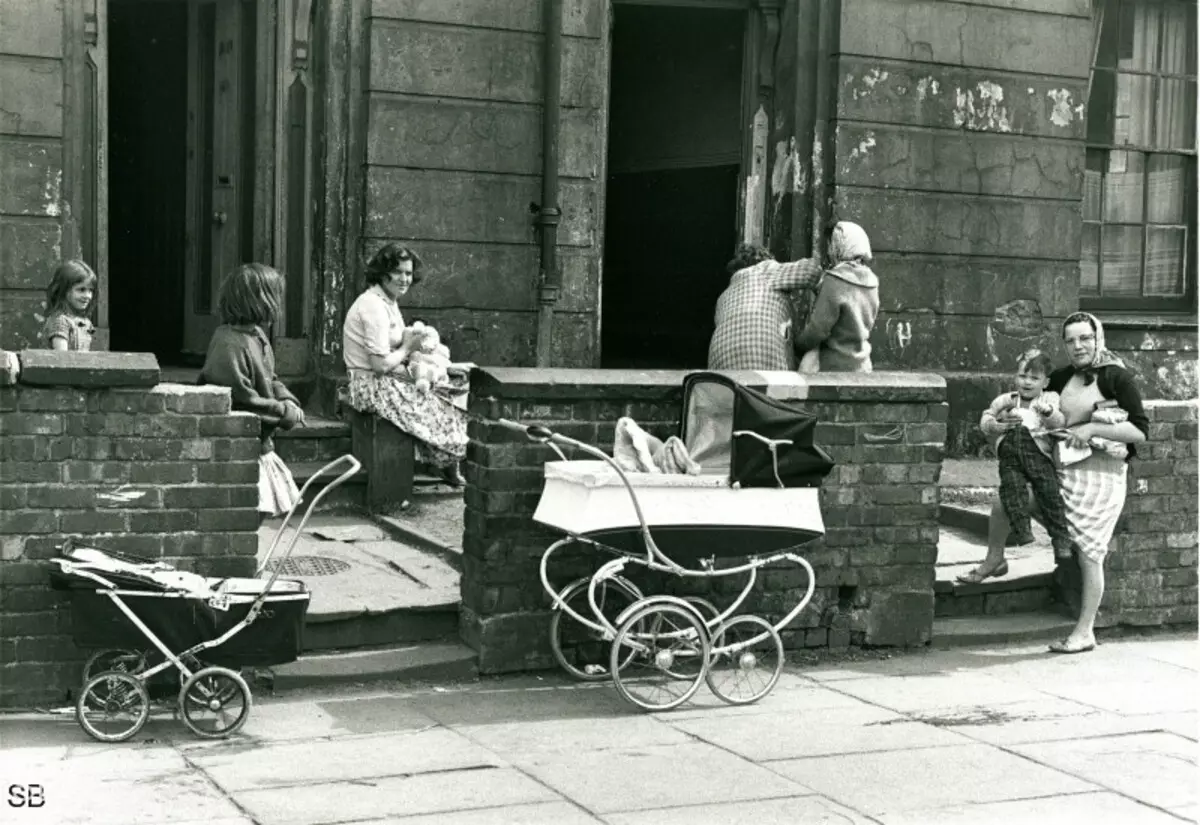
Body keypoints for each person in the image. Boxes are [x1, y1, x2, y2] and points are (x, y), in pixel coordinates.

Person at [957, 313, 1147, 654]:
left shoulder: (1118, 377)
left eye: (1085, 338)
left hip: (1101, 476)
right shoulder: (1060, 377)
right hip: (1064, 470)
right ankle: (995, 560)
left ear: (1097, 337)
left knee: (1090, 552)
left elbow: (1139, 432)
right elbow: (1032, 402)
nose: (1078, 346)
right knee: (1006, 498)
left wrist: (1092, 429)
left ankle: (1085, 630)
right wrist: (1000, 423)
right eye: (1070, 340)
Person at [342, 243, 467, 486]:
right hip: (370, 386)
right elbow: (379, 365)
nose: (404, 279)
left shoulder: (388, 301)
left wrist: (433, 361)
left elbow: (399, 350)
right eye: (398, 272)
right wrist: (408, 348)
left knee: (455, 383)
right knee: (439, 400)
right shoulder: (372, 305)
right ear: (382, 272)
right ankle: (445, 460)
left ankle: (445, 461)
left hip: (388, 377)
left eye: (408, 273)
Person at [198, 263, 305, 518]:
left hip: (257, 444)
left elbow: (271, 378)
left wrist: (287, 400)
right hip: (236, 447)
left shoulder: (257, 336)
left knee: (257, 514)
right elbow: (239, 399)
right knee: (244, 514)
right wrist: (282, 412)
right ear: (259, 301)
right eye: (275, 295)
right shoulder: (229, 344)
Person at [978, 350, 1075, 564]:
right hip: (1010, 457)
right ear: (1015, 378)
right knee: (1011, 488)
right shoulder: (1007, 400)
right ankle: (1022, 531)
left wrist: (1048, 412)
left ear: (1045, 381)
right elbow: (985, 419)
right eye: (1023, 376)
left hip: (1037, 456)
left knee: (1049, 493)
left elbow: (1060, 423)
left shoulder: (1049, 399)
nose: (1027, 382)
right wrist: (997, 424)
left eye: (1034, 378)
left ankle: (1061, 540)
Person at [707, 244, 822, 371]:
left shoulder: (724, 296)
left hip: (720, 357)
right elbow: (812, 270)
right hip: (760, 348)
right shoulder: (764, 269)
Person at [794, 221, 879, 373]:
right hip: (863, 366)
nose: (829, 251)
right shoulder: (872, 281)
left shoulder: (835, 280)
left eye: (832, 244)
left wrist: (797, 346)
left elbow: (818, 329)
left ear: (840, 245)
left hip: (833, 367)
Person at [41, 259, 98, 351]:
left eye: (90, 290)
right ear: (64, 290)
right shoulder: (60, 321)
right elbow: (63, 359)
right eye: (81, 290)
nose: (88, 296)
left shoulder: (85, 323)